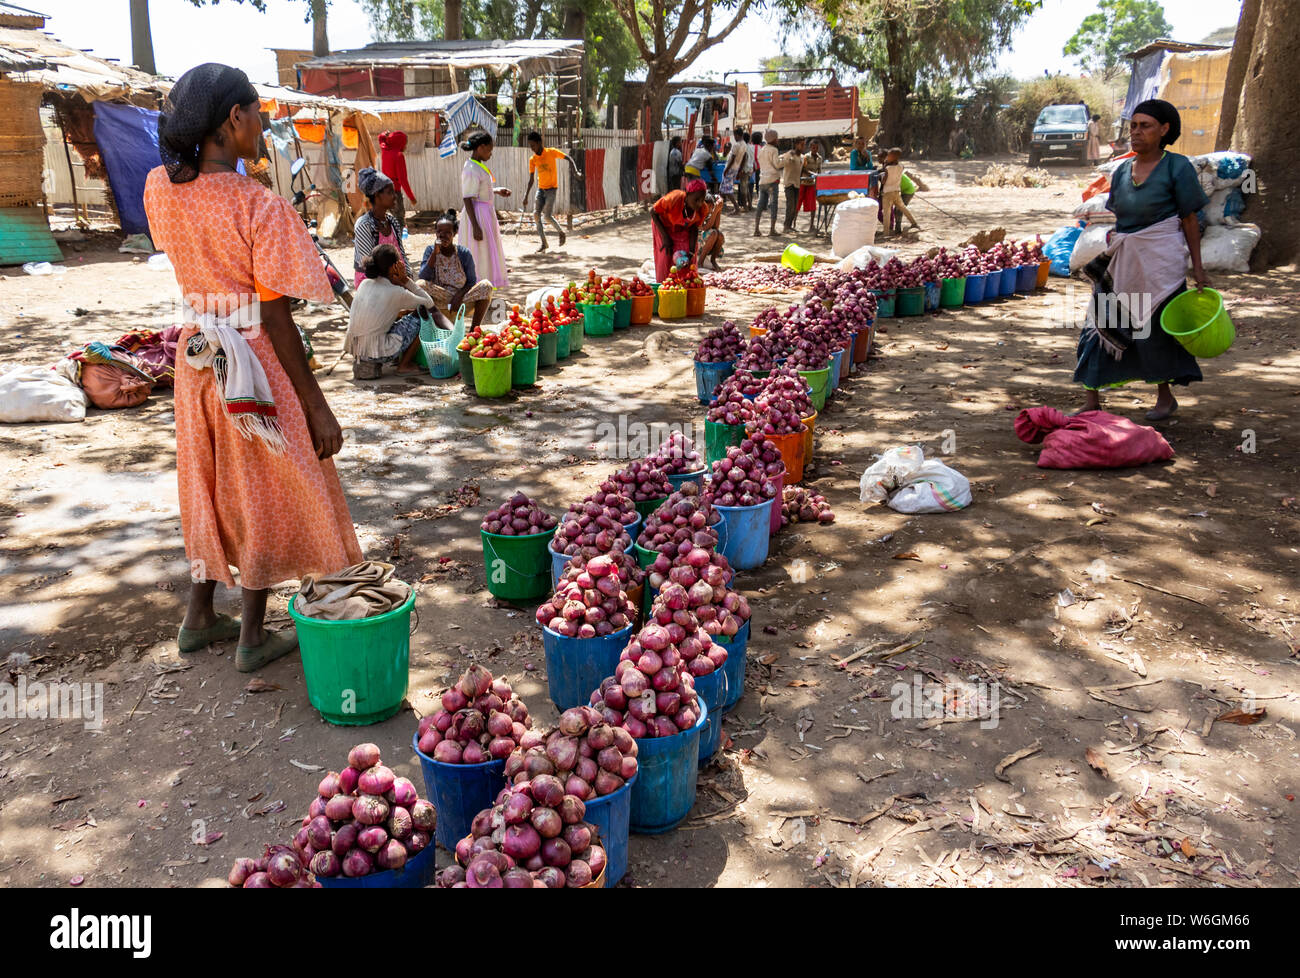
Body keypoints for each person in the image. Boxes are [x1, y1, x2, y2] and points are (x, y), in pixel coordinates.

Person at [144, 63, 361, 672]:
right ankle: (253, 636)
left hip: (195, 360)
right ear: (232, 119)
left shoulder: (160, 188)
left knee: (206, 481)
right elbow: (276, 319)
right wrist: (317, 405)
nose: (263, 123)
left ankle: (200, 616)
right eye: (256, 111)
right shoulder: (259, 206)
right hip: (250, 360)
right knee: (262, 484)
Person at [1074, 99, 1209, 421]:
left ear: (1164, 130)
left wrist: (1199, 268)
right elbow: (1120, 216)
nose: (1136, 132)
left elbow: (1189, 219)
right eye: (1133, 126)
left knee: (1154, 329)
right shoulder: (1121, 171)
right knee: (1101, 322)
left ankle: (1165, 398)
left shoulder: (1177, 167)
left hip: (1161, 261)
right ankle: (1092, 399)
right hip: (1125, 259)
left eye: (1145, 126)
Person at [345, 244, 431, 375]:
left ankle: (395, 360)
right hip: (377, 352)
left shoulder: (364, 283)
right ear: (394, 267)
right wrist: (406, 280)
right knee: (422, 316)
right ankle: (404, 365)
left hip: (356, 348)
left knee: (399, 315)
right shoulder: (396, 292)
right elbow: (429, 303)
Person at [418, 209, 495, 328]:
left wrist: (459, 296)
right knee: (420, 285)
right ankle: (428, 327)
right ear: (435, 233)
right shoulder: (430, 251)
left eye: (448, 232)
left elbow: (471, 281)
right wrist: (434, 253)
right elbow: (423, 276)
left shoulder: (463, 253)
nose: (443, 236)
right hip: (440, 299)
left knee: (486, 286)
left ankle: (474, 330)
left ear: (454, 233)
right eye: (439, 232)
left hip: (462, 300)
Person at [460, 131, 511, 289]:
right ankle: (477, 287)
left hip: (485, 215)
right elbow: (468, 198)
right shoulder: (471, 168)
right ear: (481, 147)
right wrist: (475, 226)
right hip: (477, 217)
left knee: (486, 252)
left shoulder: (477, 166)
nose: (490, 154)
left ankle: (486, 287)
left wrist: (496, 190)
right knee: (479, 252)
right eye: (489, 150)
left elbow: (479, 191)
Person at [522, 131, 580, 253]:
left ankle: (561, 232)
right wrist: (526, 195)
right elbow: (531, 179)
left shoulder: (551, 152)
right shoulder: (532, 160)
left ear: (539, 143)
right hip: (540, 189)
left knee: (547, 216)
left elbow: (568, 158)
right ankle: (544, 243)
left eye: (533, 145)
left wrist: (575, 171)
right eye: (530, 146)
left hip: (551, 190)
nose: (532, 148)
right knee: (536, 215)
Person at [353, 166, 410, 287]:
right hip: (372, 283)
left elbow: (401, 254)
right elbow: (370, 267)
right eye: (390, 192)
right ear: (377, 196)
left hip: (396, 280)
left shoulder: (392, 221)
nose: (395, 196)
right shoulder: (364, 225)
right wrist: (399, 283)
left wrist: (408, 277)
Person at [651, 178, 706, 282]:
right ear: (687, 195)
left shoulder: (702, 209)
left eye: (702, 200)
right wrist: (665, 237)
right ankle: (665, 284)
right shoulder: (674, 199)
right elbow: (653, 211)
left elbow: (694, 229)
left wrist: (690, 252)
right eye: (696, 199)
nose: (699, 204)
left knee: (687, 256)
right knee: (666, 253)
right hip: (662, 225)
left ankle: (685, 283)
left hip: (682, 227)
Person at [377, 130, 416, 229]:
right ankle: (397, 243)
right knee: (399, 220)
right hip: (394, 193)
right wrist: (411, 197)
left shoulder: (385, 150)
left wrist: (385, 133)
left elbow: (380, 138)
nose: (405, 147)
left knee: (388, 219)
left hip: (383, 191)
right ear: (399, 143)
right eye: (404, 144)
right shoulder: (398, 156)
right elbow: (403, 180)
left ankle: (389, 240)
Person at [879, 147, 920, 235]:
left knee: (886, 213)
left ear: (893, 157)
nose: (887, 157)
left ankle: (886, 233)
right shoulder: (901, 166)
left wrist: (882, 174)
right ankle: (914, 223)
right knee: (903, 208)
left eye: (889, 156)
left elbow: (884, 181)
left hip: (887, 193)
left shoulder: (888, 168)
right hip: (897, 191)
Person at [753, 128, 781, 237]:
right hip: (772, 180)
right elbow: (777, 164)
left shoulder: (762, 149)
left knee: (760, 205)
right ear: (774, 139)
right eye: (777, 138)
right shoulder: (774, 150)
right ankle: (772, 230)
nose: (778, 140)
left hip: (762, 181)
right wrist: (785, 159)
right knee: (773, 205)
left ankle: (756, 229)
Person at [780, 136, 806, 233]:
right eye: (801, 145)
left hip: (797, 184)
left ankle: (789, 225)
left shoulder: (802, 157)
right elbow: (782, 161)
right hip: (789, 184)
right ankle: (786, 226)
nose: (803, 147)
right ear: (796, 145)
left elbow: (802, 170)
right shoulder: (790, 154)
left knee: (795, 207)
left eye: (804, 145)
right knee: (790, 205)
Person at [695, 192, 725, 270]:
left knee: (720, 235)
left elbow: (716, 227)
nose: (711, 210)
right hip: (694, 245)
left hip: (703, 243)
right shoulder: (697, 213)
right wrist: (715, 211)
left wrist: (719, 211)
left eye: (712, 207)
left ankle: (713, 260)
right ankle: (700, 262)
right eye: (710, 207)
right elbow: (705, 228)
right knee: (713, 234)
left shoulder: (709, 214)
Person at [724, 130, 751, 212]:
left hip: (743, 169)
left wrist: (739, 170)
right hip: (746, 169)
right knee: (745, 188)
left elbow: (741, 158)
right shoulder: (746, 146)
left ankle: (743, 207)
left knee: (743, 189)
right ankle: (746, 206)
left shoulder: (740, 146)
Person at [799, 140, 822, 233]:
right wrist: (811, 173)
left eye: (816, 148)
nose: (815, 149)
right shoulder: (806, 157)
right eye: (813, 147)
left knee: (813, 205)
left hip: (812, 183)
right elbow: (803, 168)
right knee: (798, 203)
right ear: (810, 147)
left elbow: (819, 170)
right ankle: (793, 223)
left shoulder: (819, 158)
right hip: (803, 182)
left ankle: (811, 225)